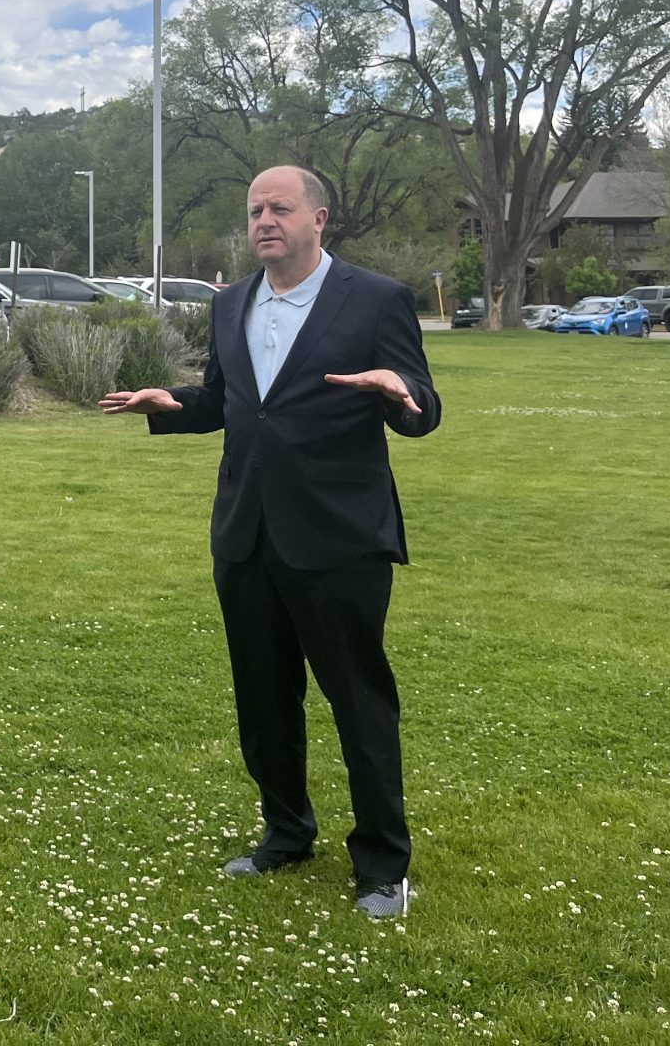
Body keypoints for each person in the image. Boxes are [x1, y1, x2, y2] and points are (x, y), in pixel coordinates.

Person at [100, 166, 441, 920]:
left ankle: (384, 864)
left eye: (279, 208)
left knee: (359, 701)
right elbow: (229, 401)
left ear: (319, 218)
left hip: (339, 538)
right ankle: (285, 836)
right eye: (255, 210)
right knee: (263, 702)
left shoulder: (376, 299)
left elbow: (421, 406)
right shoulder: (232, 305)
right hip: (247, 534)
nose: (264, 220)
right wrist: (174, 404)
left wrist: (398, 395)